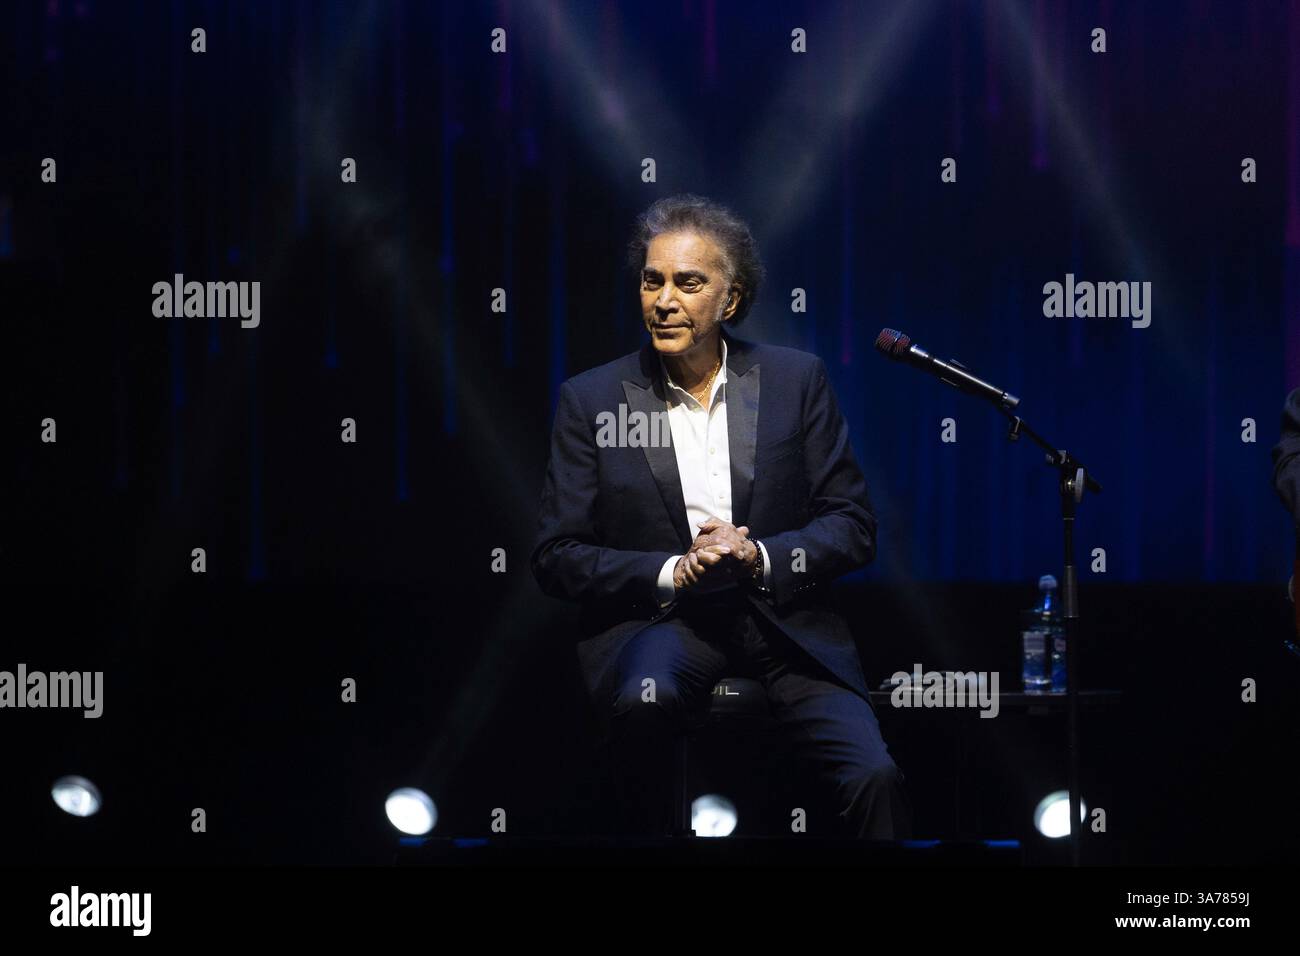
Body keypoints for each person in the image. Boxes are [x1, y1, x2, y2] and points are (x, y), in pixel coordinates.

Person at [531, 194, 910, 838]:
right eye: (652, 281)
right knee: (643, 709)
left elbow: (852, 523)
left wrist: (757, 556)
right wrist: (674, 572)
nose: (665, 299)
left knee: (874, 775)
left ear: (728, 301)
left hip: (784, 620)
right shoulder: (591, 399)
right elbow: (556, 556)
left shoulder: (796, 379)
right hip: (667, 622)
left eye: (688, 282)